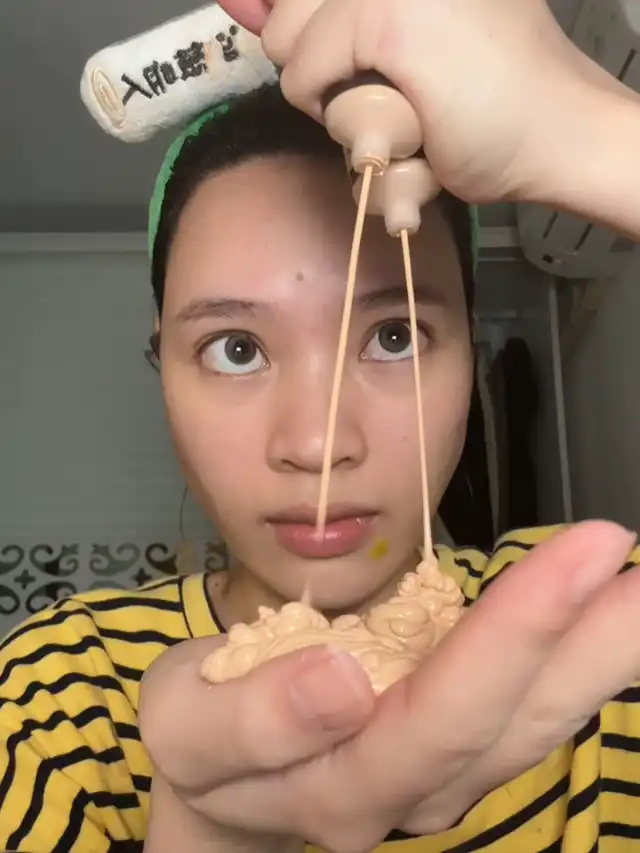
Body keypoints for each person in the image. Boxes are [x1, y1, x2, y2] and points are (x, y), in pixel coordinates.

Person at [2, 2, 640, 852]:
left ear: (468, 349)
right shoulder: (54, 699)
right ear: (163, 366)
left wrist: (596, 137)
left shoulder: (600, 621)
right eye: (236, 349)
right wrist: (206, 829)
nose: (317, 443)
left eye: (394, 335)